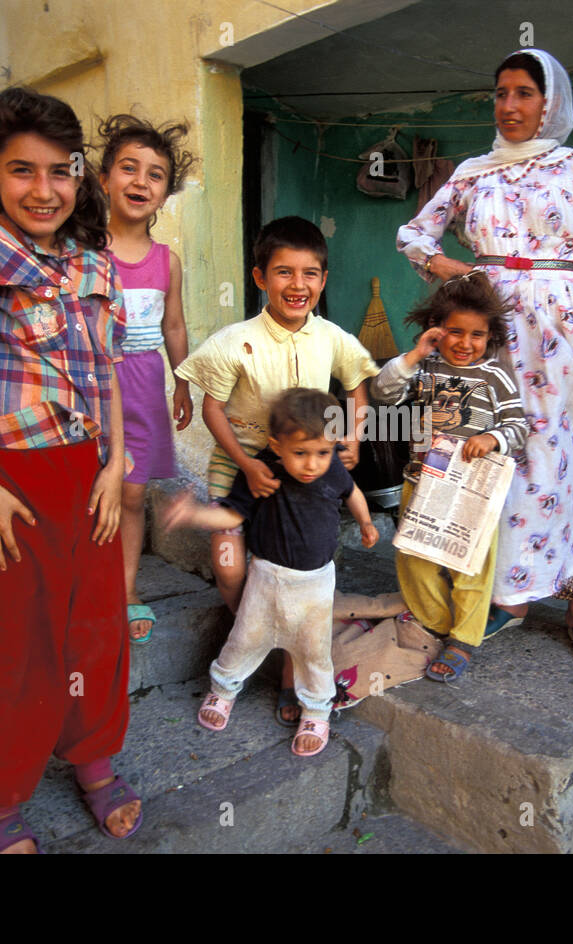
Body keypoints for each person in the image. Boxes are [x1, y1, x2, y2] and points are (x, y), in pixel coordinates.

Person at [396, 49, 573, 669]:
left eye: (524, 93)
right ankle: (511, 596)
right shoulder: (473, 172)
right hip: (490, 337)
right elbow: (415, 235)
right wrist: (452, 268)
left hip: (565, 335)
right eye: (500, 94)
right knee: (497, 460)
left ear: (550, 103)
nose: (509, 106)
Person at [0, 86, 141, 853]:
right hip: (9, 480)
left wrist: (114, 467)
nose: (42, 190)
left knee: (98, 628)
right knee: (19, 642)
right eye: (22, 171)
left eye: (59, 171)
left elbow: (108, 373)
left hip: (92, 476)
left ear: (80, 176)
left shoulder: (93, 266)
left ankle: (93, 758)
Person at [176, 216, 377, 721]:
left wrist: (350, 434)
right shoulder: (232, 341)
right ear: (260, 277)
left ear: (323, 280)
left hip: (301, 472)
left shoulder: (332, 337)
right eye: (284, 272)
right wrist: (246, 462)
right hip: (239, 464)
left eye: (310, 273)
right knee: (229, 565)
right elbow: (212, 409)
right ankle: (255, 634)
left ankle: (289, 668)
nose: (298, 285)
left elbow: (357, 385)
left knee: (300, 568)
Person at [160, 388, 379, 756]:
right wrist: (193, 514)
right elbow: (231, 515)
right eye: (301, 454)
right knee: (245, 638)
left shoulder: (332, 468)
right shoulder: (262, 473)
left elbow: (352, 492)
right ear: (277, 446)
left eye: (322, 453)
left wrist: (367, 522)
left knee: (314, 654)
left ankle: (316, 711)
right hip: (266, 579)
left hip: (315, 585)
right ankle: (223, 689)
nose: (312, 464)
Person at [371, 272, 527, 681]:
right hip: (420, 482)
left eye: (477, 334)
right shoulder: (424, 370)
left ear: (490, 336)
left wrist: (493, 438)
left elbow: (519, 427)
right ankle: (437, 622)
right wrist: (413, 356)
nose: (464, 342)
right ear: (436, 330)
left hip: (473, 490)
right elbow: (383, 393)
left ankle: (463, 638)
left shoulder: (497, 377)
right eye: (454, 331)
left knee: (470, 566)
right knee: (412, 559)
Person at [98, 113, 197, 644]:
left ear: (165, 194)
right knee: (87, 490)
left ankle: (126, 588)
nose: (140, 182)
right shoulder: (82, 253)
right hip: (89, 386)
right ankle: (83, 585)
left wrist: (182, 382)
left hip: (141, 385)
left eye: (155, 174)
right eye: (128, 168)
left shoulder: (167, 261)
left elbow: (174, 324)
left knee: (132, 495)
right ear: (103, 179)